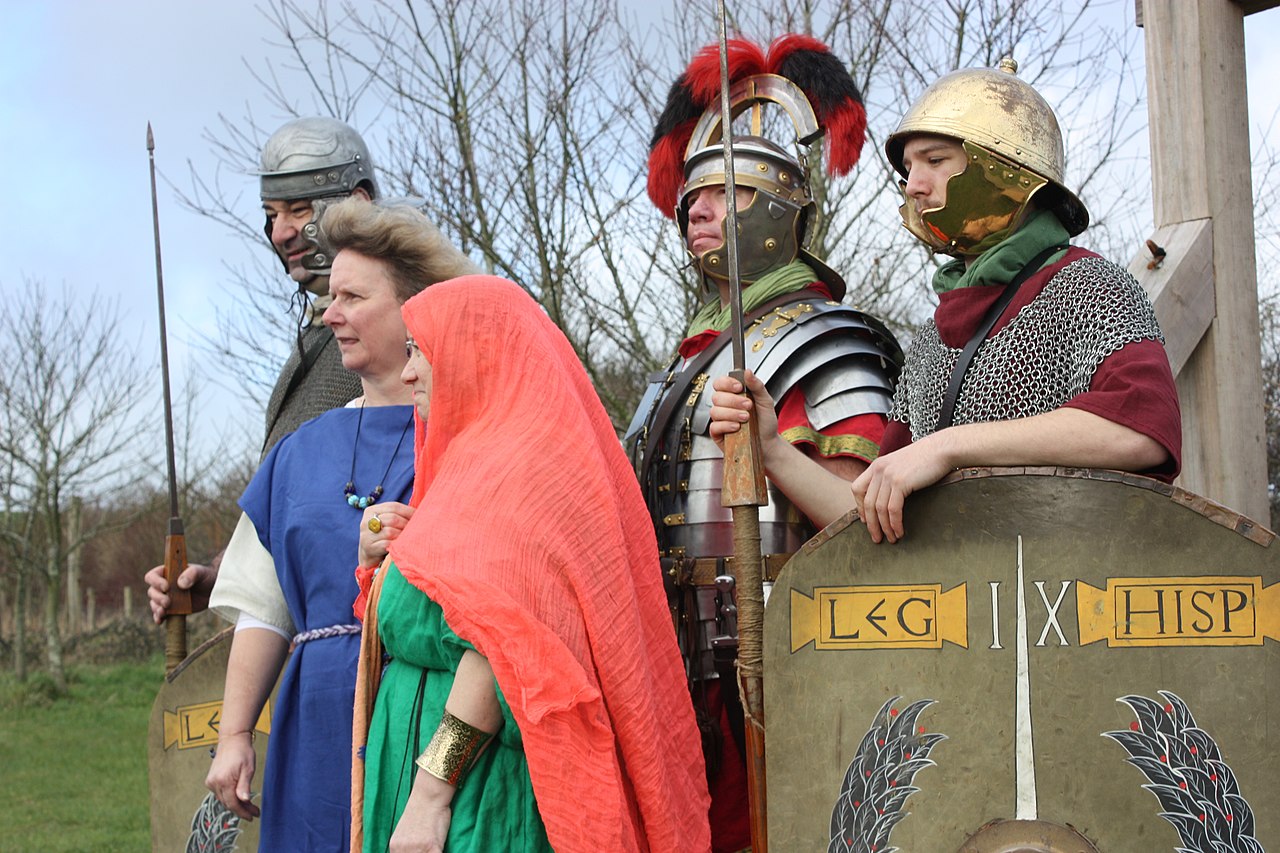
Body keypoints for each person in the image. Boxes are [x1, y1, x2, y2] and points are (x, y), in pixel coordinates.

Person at [710, 58, 1182, 546]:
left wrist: (950, 446)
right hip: (961, 612)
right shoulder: (936, 337)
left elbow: (1142, 433)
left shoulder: (1087, 286)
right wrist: (772, 450)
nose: (913, 185)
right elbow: (872, 517)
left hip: (1073, 604)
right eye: (909, 169)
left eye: (935, 161)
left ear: (1004, 170)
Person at [629, 35, 902, 852]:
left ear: (779, 209)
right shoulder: (687, 362)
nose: (694, 211)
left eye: (720, 193)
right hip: (680, 673)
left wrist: (774, 453)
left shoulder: (827, 342)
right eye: (690, 199)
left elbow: (864, 527)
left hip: (781, 668)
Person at [352, 276, 711, 852]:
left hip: (478, 791)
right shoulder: (466, 466)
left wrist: (431, 796)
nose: (408, 372)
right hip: (415, 766)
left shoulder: (521, 471)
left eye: (422, 350)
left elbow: (502, 649)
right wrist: (381, 561)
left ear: (479, 351)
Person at [202, 199, 478, 851]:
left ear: (413, 307)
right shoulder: (297, 452)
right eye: (331, 296)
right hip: (316, 714)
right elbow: (266, 609)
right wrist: (235, 735)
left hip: (425, 707)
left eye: (352, 296)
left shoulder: (470, 434)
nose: (331, 314)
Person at [146, 116, 383, 621]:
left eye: (299, 209)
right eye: (272, 214)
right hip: (303, 632)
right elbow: (288, 509)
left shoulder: (406, 330)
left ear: (358, 204)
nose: (281, 232)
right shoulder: (317, 341)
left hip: (368, 629)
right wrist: (222, 577)